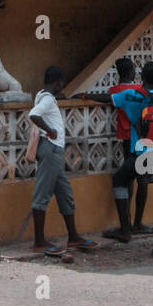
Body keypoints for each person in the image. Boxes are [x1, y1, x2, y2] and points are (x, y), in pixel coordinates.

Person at [104, 62, 153, 258]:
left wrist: (84, 96)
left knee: (120, 179)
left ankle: (125, 230)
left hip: (144, 151)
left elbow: (106, 98)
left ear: (141, 77)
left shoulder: (132, 96)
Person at [75, 57, 153, 238]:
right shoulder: (139, 90)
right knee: (142, 180)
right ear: (132, 72)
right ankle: (137, 223)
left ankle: (126, 224)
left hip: (128, 139)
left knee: (128, 180)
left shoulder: (115, 90)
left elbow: (105, 98)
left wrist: (86, 95)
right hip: (145, 140)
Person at [28, 66, 97, 255]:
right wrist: (50, 130)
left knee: (65, 193)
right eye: (62, 83)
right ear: (58, 82)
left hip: (54, 151)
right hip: (51, 150)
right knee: (42, 195)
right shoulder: (48, 100)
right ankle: (39, 241)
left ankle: (73, 237)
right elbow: (33, 114)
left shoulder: (44, 95)